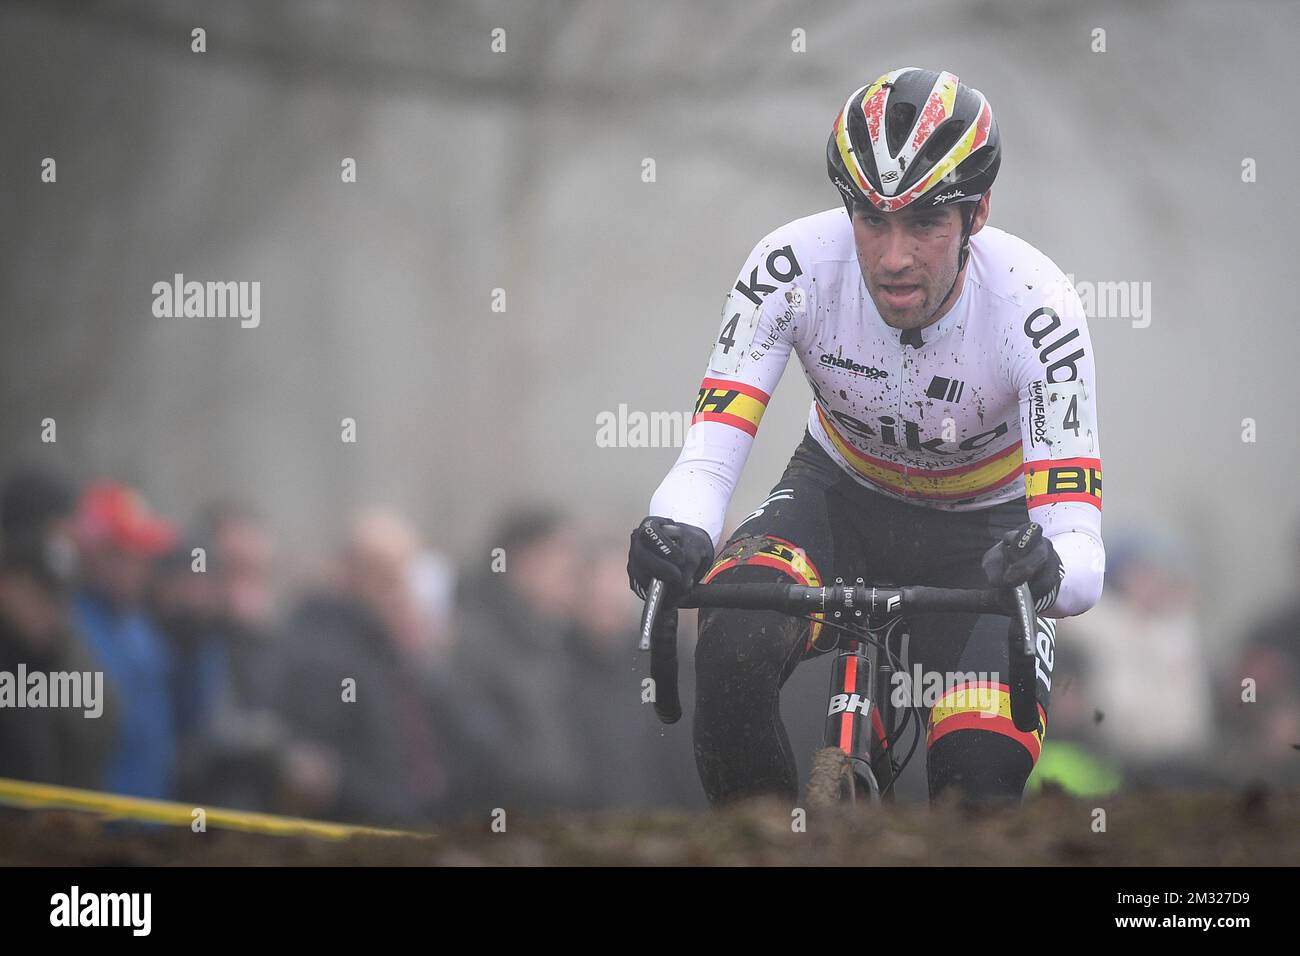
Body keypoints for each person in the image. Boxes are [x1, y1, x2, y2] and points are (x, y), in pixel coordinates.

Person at [626, 68, 1105, 809]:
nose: (892, 257)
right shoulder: (791, 267)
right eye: (872, 220)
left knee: (977, 787)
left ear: (977, 215)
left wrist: (1045, 568)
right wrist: (676, 528)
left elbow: (1078, 545)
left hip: (987, 537)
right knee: (733, 636)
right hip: (837, 497)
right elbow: (708, 455)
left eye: (925, 224)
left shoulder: (1038, 310)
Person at [71, 481, 178, 799]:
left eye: (144, 557)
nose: (140, 570)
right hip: (92, 827)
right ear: (95, 556)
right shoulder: (70, 628)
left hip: (150, 822)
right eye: (128, 555)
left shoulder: (141, 628)